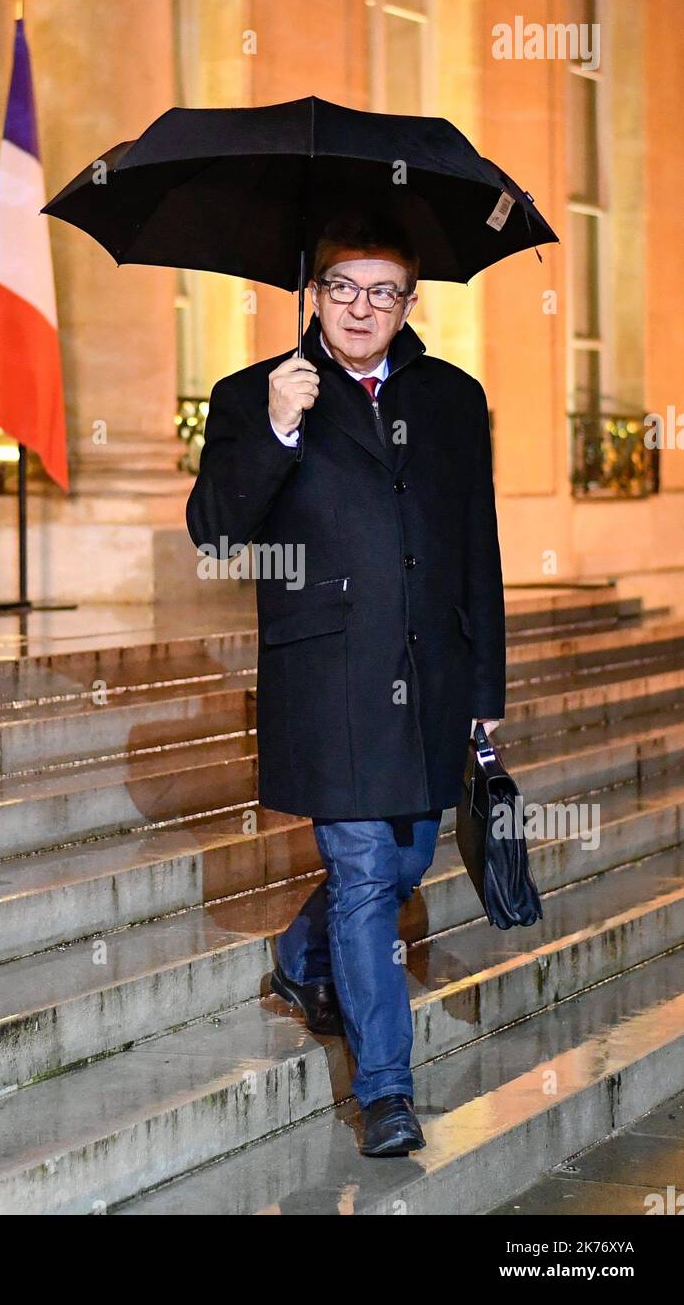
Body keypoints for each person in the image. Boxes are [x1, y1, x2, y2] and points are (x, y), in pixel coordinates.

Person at [185, 211, 505, 1156]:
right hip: (327, 675)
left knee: (407, 863)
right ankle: (388, 1092)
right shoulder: (255, 395)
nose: (363, 308)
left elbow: (476, 547)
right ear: (313, 294)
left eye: (384, 291)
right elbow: (217, 534)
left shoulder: (453, 396)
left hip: (432, 671)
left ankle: (297, 957)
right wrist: (278, 430)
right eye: (343, 288)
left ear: (411, 302)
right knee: (368, 873)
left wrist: (487, 681)